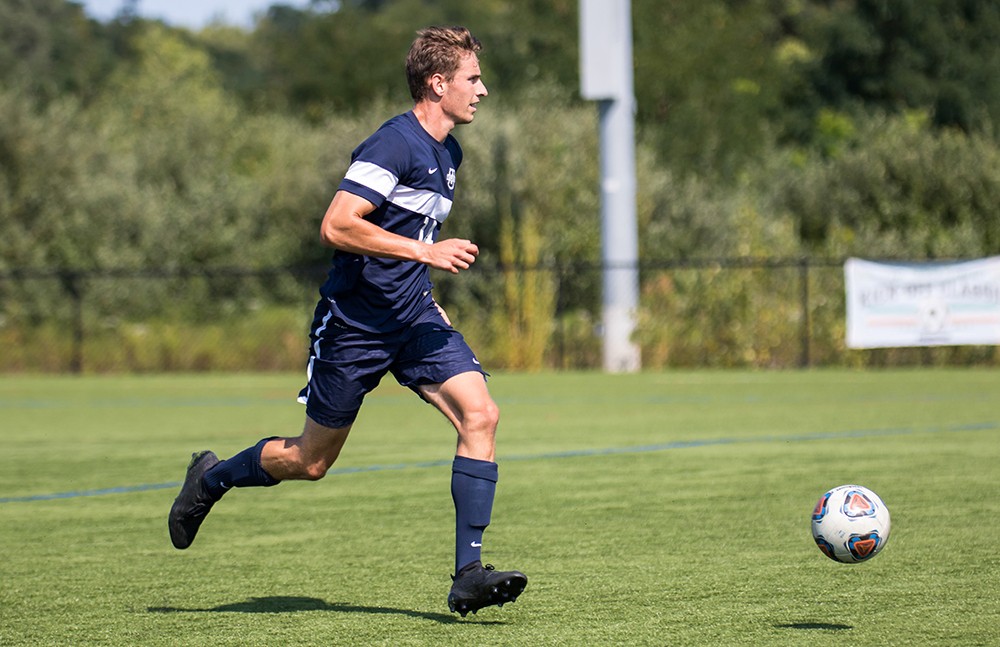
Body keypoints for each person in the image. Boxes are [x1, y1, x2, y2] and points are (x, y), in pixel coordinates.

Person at [168, 25, 527, 617]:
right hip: (355, 326)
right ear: (438, 84)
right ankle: (211, 479)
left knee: (481, 414)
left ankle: (468, 575)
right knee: (311, 462)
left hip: (412, 319)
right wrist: (426, 255)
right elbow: (338, 224)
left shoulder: (448, 153)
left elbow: (410, 237)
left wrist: (425, 286)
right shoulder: (393, 145)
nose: (482, 90)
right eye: (472, 78)